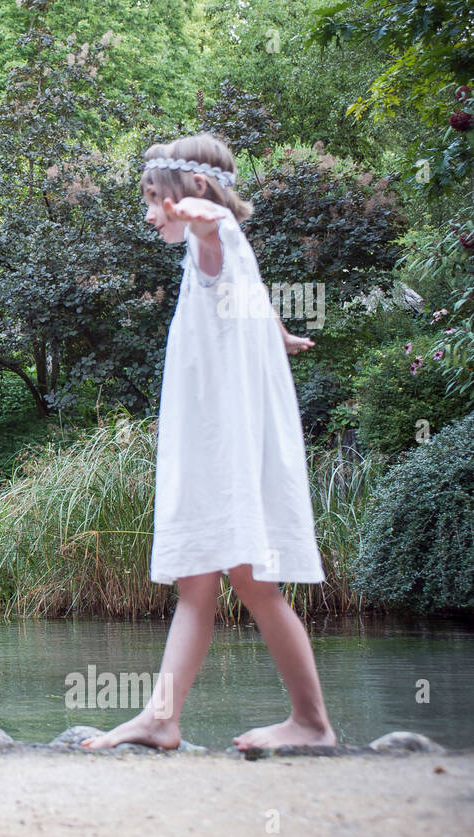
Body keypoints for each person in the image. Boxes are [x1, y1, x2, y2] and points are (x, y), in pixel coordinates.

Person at [83, 134, 336, 752]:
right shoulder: (222, 251)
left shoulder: (211, 236)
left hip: (222, 446)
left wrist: (201, 217)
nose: (149, 216)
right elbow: (241, 285)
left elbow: (213, 236)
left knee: (251, 581)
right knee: (197, 582)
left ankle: (312, 724)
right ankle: (162, 718)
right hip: (210, 437)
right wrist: (278, 332)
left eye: (153, 201)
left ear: (193, 191)